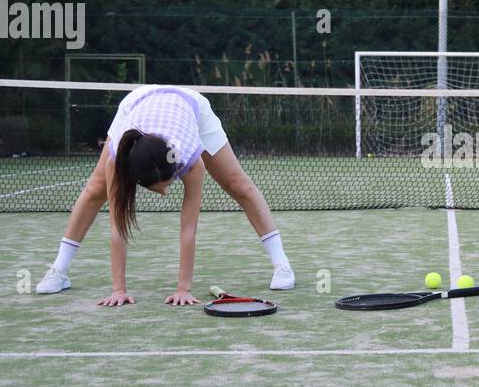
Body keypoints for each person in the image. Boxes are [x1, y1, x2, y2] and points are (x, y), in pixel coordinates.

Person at [35, 84, 294, 305]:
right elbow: (118, 226)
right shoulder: (118, 161)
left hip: (190, 107)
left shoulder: (191, 161)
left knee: (238, 184)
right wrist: (118, 290)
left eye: (168, 182)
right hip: (138, 103)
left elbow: (189, 229)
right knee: (95, 189)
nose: (165, 191)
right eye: (158, 186)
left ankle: (282, 264)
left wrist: (183, 289)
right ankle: (59, 269)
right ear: (136, 177)